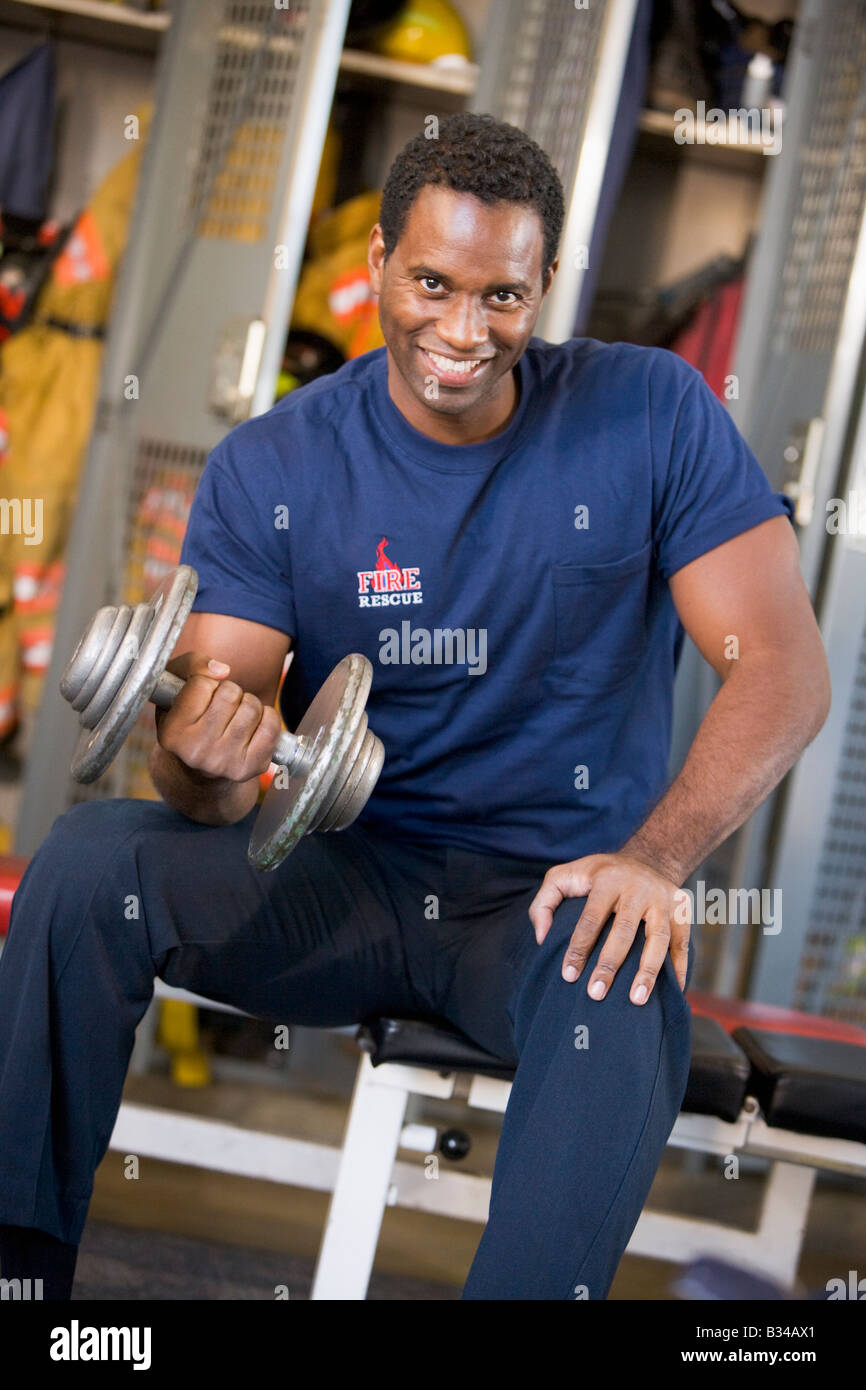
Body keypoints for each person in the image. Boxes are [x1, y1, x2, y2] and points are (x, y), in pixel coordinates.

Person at [0, 113, 829, 1301]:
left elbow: (784, 670)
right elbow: (211, 747)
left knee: (620, 985)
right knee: (86, 867)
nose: (460, 328)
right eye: (431, 281)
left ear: (544, 285)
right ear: (379, 262)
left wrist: (651, 860)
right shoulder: (275, 465)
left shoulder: (647, 413)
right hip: (337, 879)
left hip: (549, 902)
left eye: (501, 293)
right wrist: (204, 757)